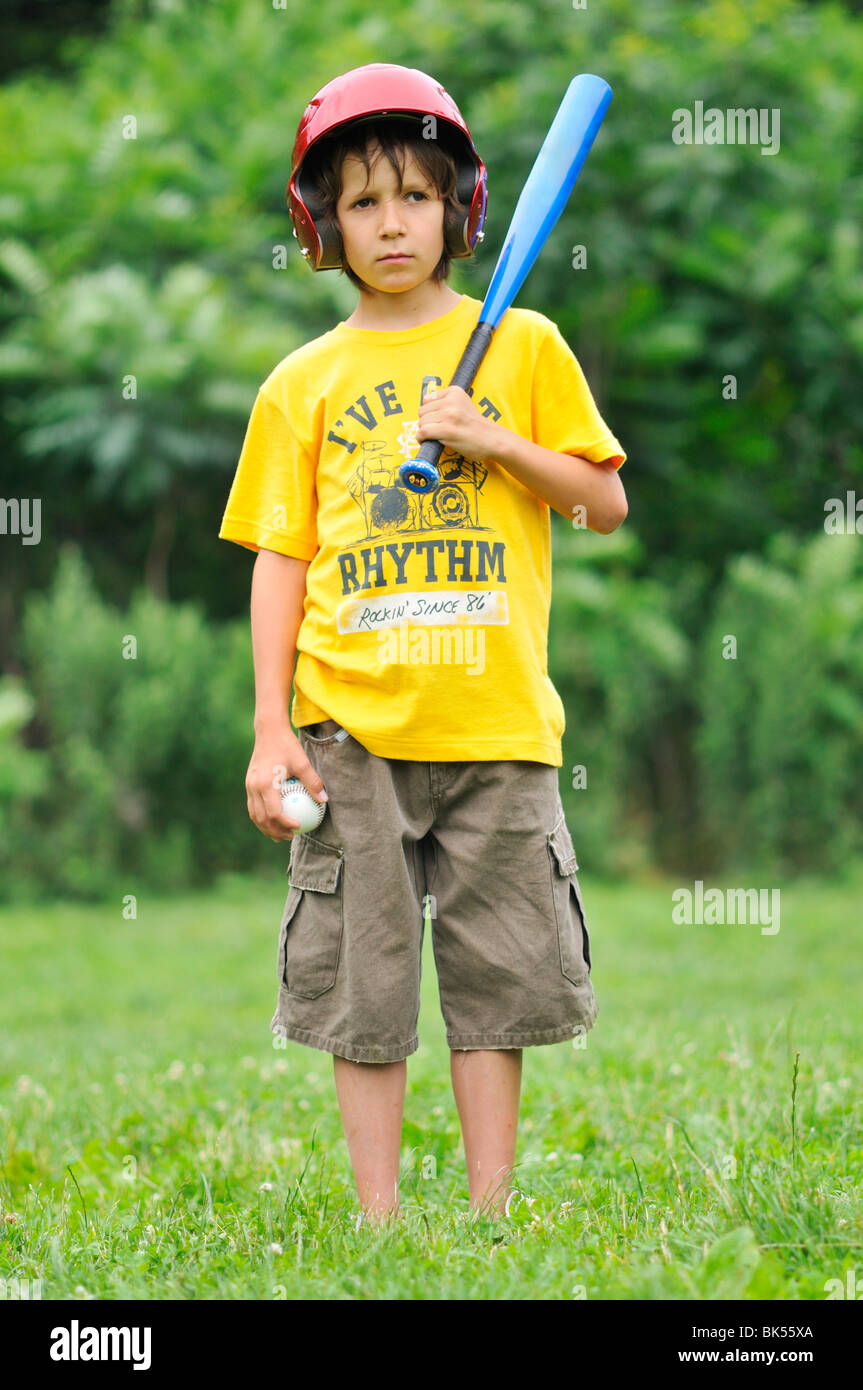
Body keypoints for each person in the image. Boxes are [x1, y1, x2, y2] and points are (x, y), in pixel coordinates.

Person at [218, 62, 627, 1228]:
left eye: (411, 194)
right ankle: (379, 1217)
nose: (389, 222)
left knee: (500, 985)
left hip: (497, 720)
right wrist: (269, 730)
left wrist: (488, 440)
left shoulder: (526, 347)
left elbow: (600, 503)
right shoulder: (302, 384)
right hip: (348, 731)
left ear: (459, 206)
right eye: (359, 201)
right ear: (320, 225)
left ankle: (492, 1213)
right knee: (364, 981)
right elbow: (278, 561)